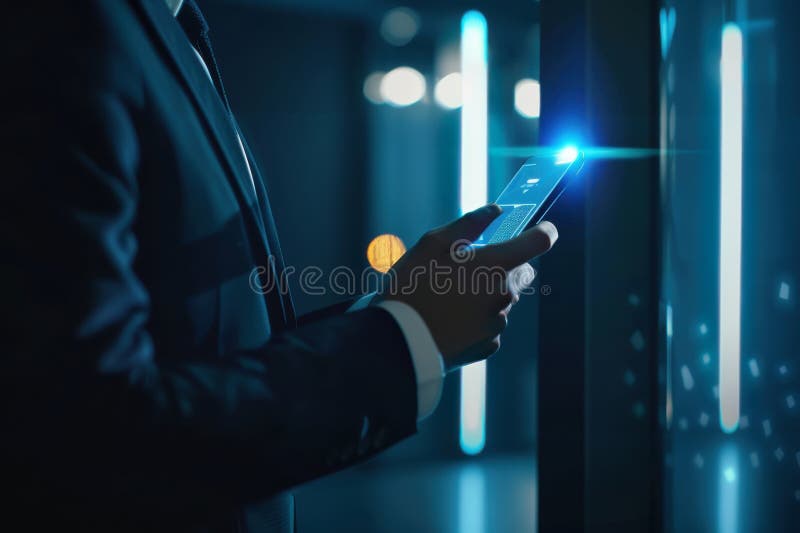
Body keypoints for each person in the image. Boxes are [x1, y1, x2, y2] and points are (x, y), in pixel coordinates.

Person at [1, 1, 558, 531]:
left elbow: (214, 343)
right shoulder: (70, 29)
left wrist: (399, 309)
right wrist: (408, 336)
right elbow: (91, 434)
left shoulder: (173, 25)